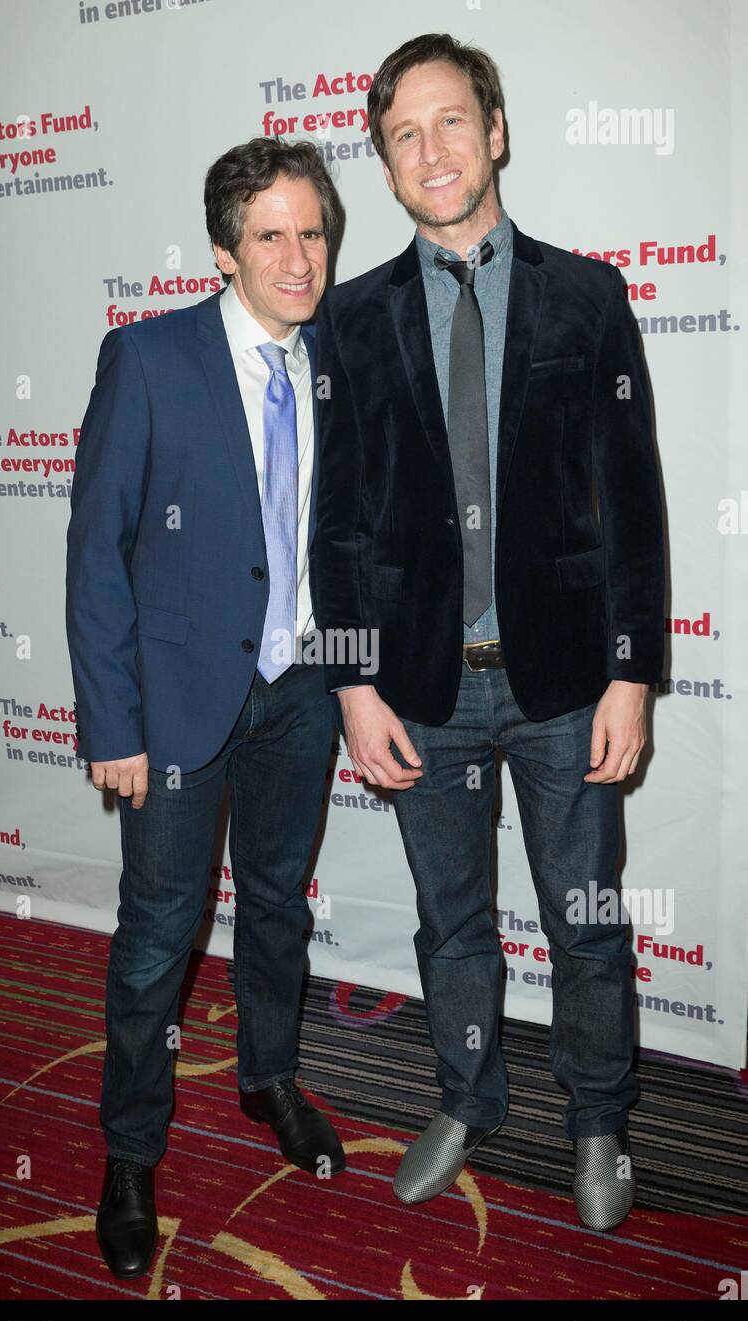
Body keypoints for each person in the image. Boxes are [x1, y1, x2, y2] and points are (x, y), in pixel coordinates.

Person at [309, 33, 665, 1231]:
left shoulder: (585, 295)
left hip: (566, 685)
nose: (430, 149)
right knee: (450, 922)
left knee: (584, 917)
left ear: (495, 131)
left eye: (450, 120)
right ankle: (467, 1094)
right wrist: (353, 688)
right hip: (419, 689)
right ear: (386, 167)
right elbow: (336, 529)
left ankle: (597, 1117)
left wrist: (630, 675)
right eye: (402, 135)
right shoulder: (351, 322)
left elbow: (632, 502)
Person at [66, 137, 344, 1280]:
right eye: (271, 235)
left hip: (302, 692)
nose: (297, 257)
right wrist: (111, 724)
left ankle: (268, 1076)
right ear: (224, 250)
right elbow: (96, 555)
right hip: (177, 704)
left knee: (276, 903)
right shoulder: (149, 359)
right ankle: (130, 1150)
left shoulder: (338, 361)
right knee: (155, 938)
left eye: (312, 231)